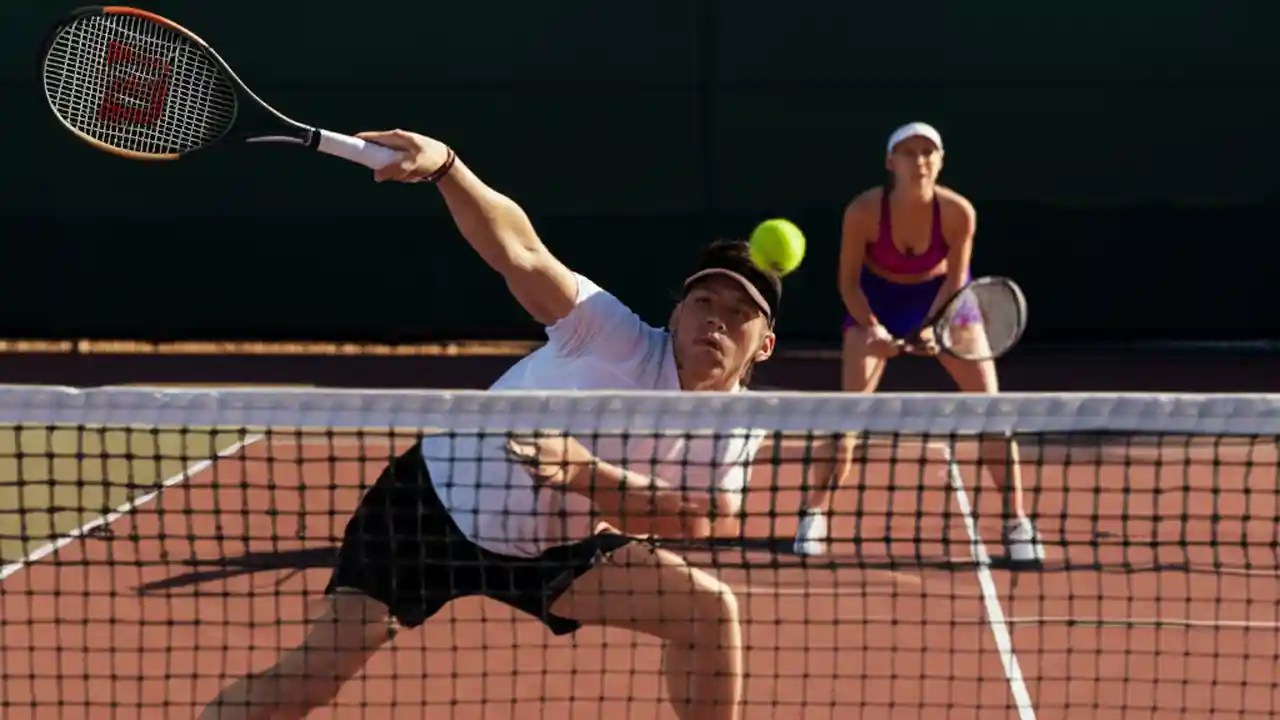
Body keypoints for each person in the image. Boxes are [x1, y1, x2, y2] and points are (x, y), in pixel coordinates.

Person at [199, 128, 783, 720]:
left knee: (710, 614)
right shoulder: (608, 334)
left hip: (554, 550)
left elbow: (702, 516)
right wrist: (448, 169)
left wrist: (584, 474)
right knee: (306, 682)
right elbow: (520, 252)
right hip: (426, 512)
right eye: (704, 303)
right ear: (677, 311)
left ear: (764, 345)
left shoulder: (737, 425)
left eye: (739, 315)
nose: (716, 322)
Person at [792, 122, 1045, 565]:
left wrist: (933, 327)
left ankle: (1016, 522)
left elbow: (954, 278)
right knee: (846, 414)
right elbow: (848, 283)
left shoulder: (958, 213)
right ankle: (814, 513)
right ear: (891, 163)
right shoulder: (864, 212)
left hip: (944, 301)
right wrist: (873, 328)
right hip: (877, 298)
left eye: (928, 152)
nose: (920, 161)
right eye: (908, 153)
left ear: (941, 161)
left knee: (992, 411)